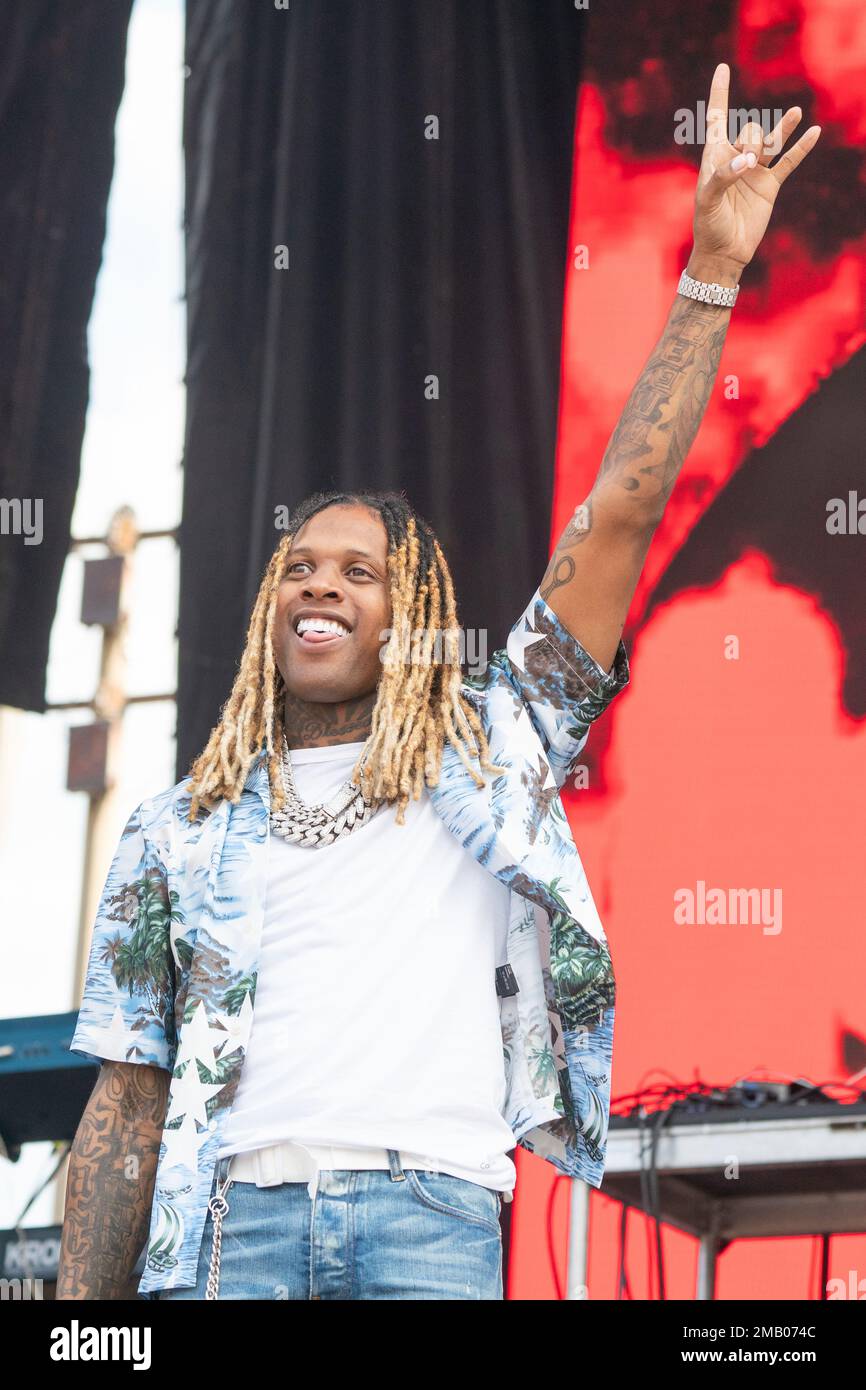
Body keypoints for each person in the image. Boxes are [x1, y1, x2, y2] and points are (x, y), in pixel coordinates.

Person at [57, 64, 819, 1300]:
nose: (320, 586)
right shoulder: (175, 833)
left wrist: (710, 275)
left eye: (358, 572)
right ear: (267, 607)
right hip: (226, 1238)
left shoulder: (496, 744)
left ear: (405, 616)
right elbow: (126, 1097)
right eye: (298, 566)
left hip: (428, 1223)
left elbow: (619, 515)